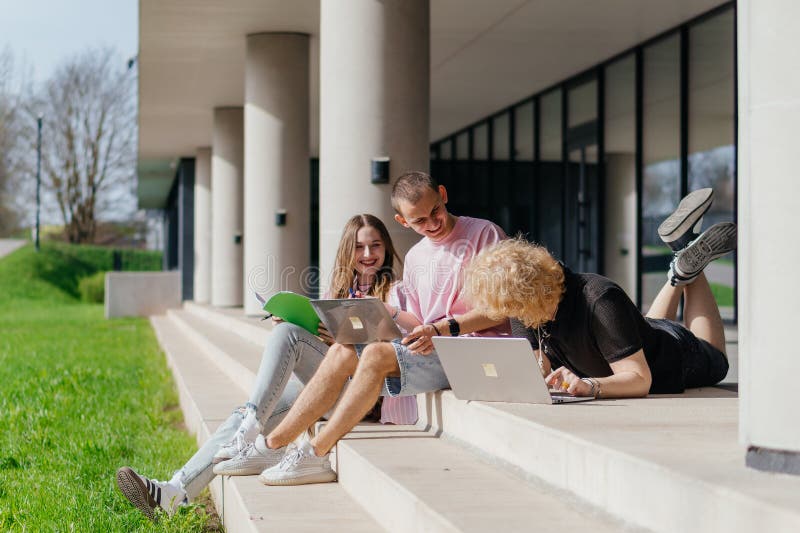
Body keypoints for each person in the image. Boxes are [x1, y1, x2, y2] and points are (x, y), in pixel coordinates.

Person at [116, 214, 415, 520]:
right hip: (327, 386)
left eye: (375, 245)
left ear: (387, 247)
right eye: (359, 247)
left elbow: (400, 351)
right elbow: (331, 352)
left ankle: (249, 427)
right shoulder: (338, 292)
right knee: (270, 364)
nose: (367, 254)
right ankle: (173, 491)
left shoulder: (396, 292)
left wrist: (378, 321)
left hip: (360, 396)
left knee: (285, 344)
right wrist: (309, 327)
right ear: (346, 251)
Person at [248, 170, 510, 487]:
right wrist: (387, 316)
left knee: (374, 356)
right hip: (431, 348)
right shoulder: (415, 257)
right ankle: (271, 445)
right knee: (345, 351)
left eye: (435, 211)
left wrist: (440, 329)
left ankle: (316, 453)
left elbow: (501, 309)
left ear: (443, 194)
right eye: (419, 222)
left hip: (472, 351)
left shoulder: (485, 235)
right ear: (403, 222)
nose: (432, 224)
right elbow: (417, 321)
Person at [464, 188, 734, 398]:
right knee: (648, 331)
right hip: (638, 335)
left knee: (717, 360)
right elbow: (540, 366)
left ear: (528, 295)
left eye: (513, 308)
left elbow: (640, 378)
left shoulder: (599, 298)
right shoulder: (525, 307)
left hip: (675, 357)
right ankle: (681, 261)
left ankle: (686, 265)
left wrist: (591, 385)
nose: (512, 315)